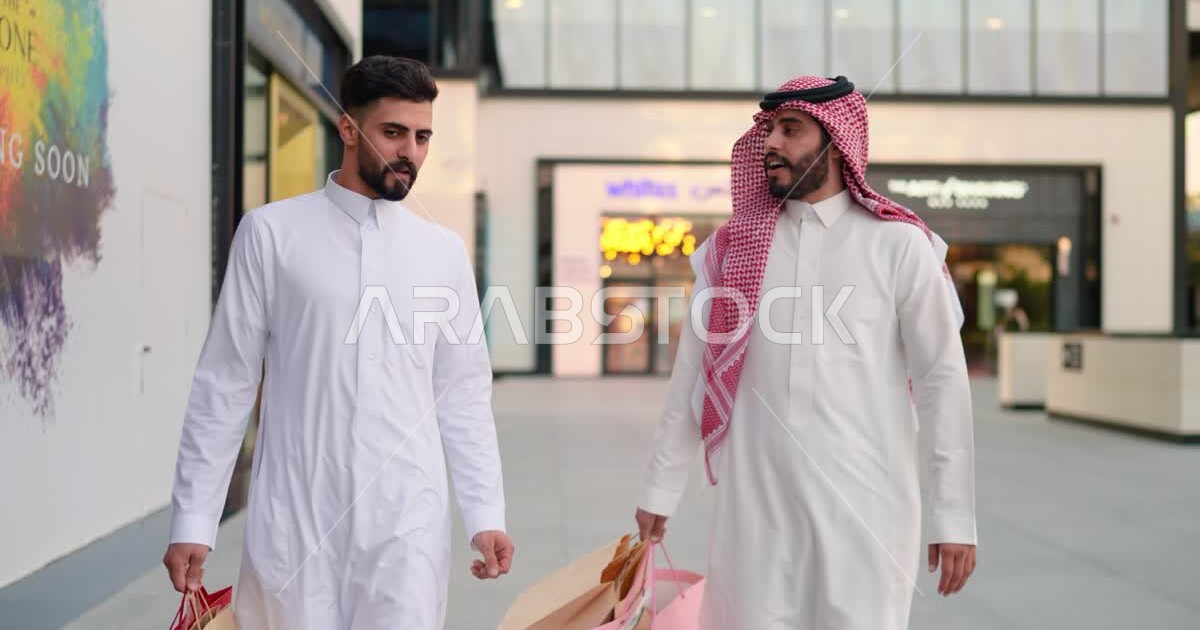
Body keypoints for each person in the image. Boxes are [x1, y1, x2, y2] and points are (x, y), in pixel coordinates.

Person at [162, 56, 512, 629]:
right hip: (293, 518)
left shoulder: (442, 251)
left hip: (407, 525)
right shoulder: (272, 234)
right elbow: (224, 383)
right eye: (393, 132)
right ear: (348, 129)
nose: (411, 152)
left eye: (423, 136)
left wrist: (485, 513)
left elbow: (463, 392)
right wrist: (194, 520)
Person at [635, 76, 977, 630]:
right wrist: (659, 488)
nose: (772, 142)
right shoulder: (730, 252)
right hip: (754, 514)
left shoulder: (899, 247)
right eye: (767, 129)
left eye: (790, 129)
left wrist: (953, 515)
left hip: (867, 513)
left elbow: (942, 382)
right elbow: (691, 378)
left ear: (837, 142)